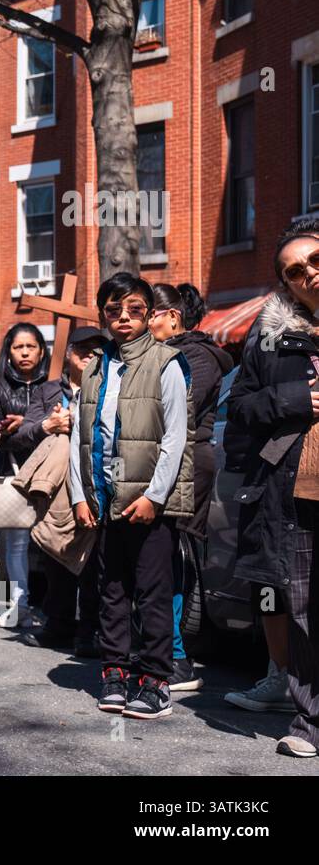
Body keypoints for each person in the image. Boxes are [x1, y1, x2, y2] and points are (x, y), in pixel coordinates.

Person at [70, 272, 194, 721]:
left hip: (148, 505)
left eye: (135, 309)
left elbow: (176, 437)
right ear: (103, 314)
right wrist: (81, 494)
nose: (124, 318)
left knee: (154, 592)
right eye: (114, 310)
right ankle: (115, 672)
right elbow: (79, 438)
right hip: (105, 500)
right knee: (112, 591)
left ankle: (156, 680)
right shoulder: (95, 367)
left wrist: (155, 497)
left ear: (151, 314)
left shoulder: (168, 362)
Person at [226, 230, 319, 758]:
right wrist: (293, 398)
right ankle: (310, 723)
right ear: (284, 284)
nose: (308, 271)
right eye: (293, 269)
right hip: (298, 489)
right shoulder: (267, 335)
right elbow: (238, 405)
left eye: (315, 259)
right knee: (301, 608)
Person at [148, 282, 232, 693]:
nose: (143, 322)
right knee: (159, 556)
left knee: (173, 556)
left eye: (149, 313)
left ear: (172, 316)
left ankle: (178, 658)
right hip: (163, 461)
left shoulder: (197, 357)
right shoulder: (161, 354)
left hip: (189, 463)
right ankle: (162, 650)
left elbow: (176, 409)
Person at [19, 326, 107, 655]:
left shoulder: (112, 385)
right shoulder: (47, 392)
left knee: (93, 563)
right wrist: (48, 426)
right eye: (82, 349)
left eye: (96, 350)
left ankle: (90, 633)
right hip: (58, 490)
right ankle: (58, 626)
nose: (88, 355)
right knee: (56, 556)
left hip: (95, 482)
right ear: (68, 354)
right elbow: (23, 433)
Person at [0, 322, 49, 628]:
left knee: (51, 540)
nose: (24, 353)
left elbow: (58, 424)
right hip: (11, 474)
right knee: (17, 542)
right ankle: (19, 603)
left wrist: (25, 423)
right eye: (18, 347)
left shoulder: (52, 383)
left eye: (31, 346)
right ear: (8, 351)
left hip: (48, 471)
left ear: (41, 350)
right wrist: (30, 427)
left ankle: (51, 606)